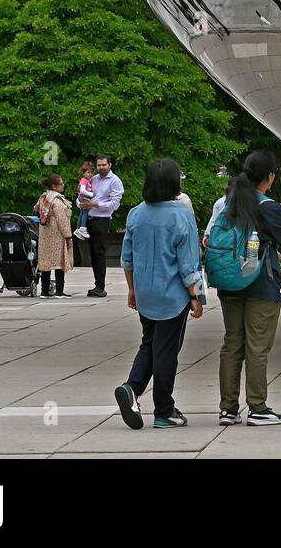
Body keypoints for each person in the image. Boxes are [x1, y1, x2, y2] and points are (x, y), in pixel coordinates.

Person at [214, 150, 281, 427]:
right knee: (257, 347)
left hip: (229, 283)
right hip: (260, 284)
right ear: (269, 177)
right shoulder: (268, 206)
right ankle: (258, 407)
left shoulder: (231, 201)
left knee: (232, 344)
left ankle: (228, 409)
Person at [114, 159, 204, 430]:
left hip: (145, 293)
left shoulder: (135, 214)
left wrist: (132, 290)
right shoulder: (181, 215)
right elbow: (188, 264)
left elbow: (126, 259)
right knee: (166, 351)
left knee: (150, 342)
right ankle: (164, 410)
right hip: (173, 296)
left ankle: (132, 388)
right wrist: (196, 296)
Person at [81, 155, 123, 297]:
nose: (101, 168)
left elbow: (114, 204)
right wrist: (81, 203)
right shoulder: (93, 179)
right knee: (93, 253)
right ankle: (97, 285)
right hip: (89, 218)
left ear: (110, 165)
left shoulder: (115, 181)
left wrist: (94, 204)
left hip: (102, 220)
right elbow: (83, 195)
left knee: (99, 253)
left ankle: (100, 286)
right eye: (99, 165)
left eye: (104, 165)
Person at [33, 174, 74, 299]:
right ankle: (59, 292)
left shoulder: (44, 197)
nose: (63, 185)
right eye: (61, 184)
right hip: (57, 234)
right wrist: (68, 237)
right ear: (54, 186)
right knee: (59, 262)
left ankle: (44, 292)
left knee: (45, 263)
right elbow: (63, 221)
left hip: (45, 233)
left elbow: (35, 208)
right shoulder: (57, 200)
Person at [74, 159, 93, 242]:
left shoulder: (86, 180)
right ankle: (83, 228)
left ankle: (78, 229)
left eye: (91, 172)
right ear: (83, 173)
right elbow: (82, 190)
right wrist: (91, 194)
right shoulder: (84, 180)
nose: (90, 174)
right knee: (85, 212)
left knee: (82, 213)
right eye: (88, 172)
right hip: (84, 197)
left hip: (82, 197)